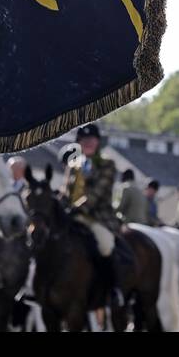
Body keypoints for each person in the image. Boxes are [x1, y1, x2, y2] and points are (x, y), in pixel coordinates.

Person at [61, 124, 125, 305]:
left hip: (98, 218)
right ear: (78, 142)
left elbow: (97, 193)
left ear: (98, 142)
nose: (88, 143)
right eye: (84, 140)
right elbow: (66, 192)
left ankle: (114, 289)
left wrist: (79, 207)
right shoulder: (73, 165)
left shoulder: (107, 164)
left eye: (92, 140)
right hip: (73, 217)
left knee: (105, 245)